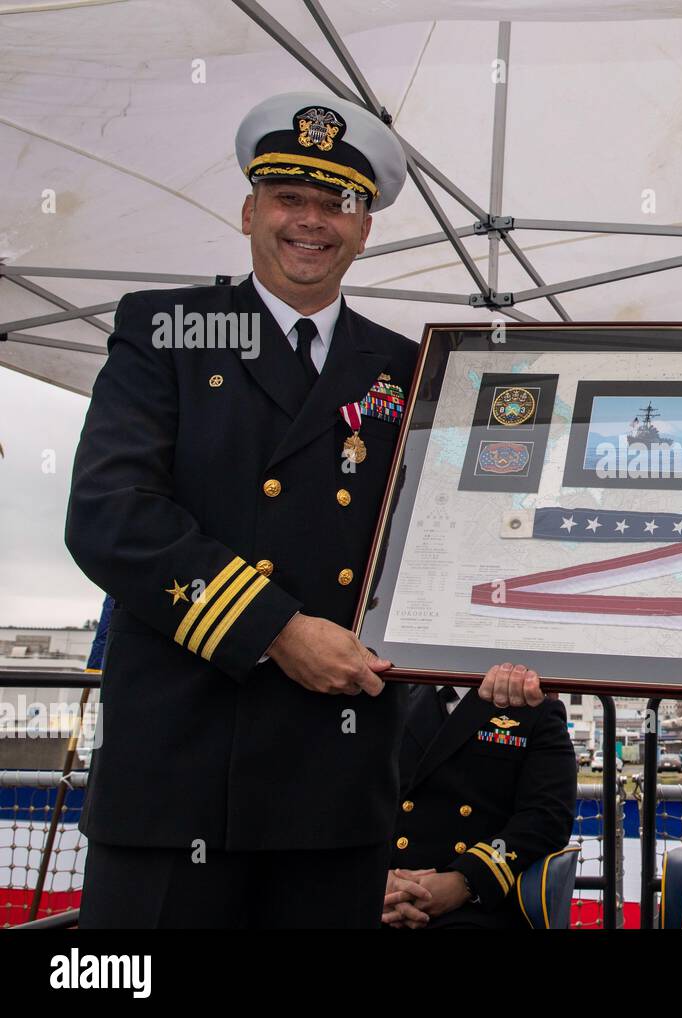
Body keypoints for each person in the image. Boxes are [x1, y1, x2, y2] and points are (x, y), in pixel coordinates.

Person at [65, 91, 541, 928]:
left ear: (365, 227)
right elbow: (111, 514)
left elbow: (462, 534)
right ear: (250, 209)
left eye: (338, 204)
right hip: (177, 783)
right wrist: (279, 632)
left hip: (334, 792)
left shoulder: (409, 367)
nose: (311, 222)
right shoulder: (168, 330)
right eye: (290, 198)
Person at [381, 685, 576, 929]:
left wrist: (466, 880)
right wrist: (381, 881)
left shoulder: (536, 711)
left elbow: (546, 819)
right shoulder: (396, 698)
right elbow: (362, 804)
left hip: (479, 904)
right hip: (388, 897)